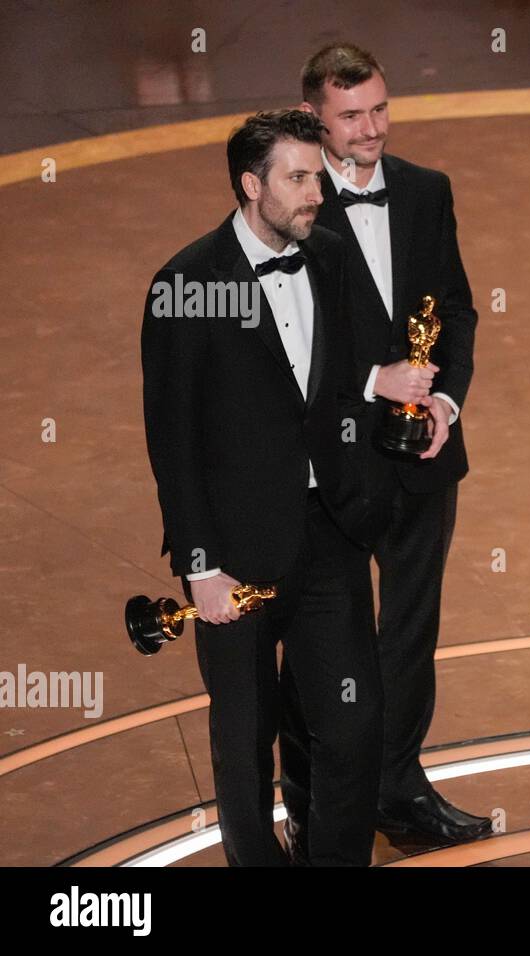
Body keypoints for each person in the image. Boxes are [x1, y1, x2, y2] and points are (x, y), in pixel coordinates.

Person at [140, 109, 384, 866]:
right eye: (300, 178)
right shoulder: (186, 285)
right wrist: (201, 564)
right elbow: (172, 439)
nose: (319, 190)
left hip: (329, 532)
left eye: (318, 174)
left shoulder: (332, 257)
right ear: (252, 185)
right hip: (237, 556)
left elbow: (339, 383)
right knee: (244, 740)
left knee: (351, 725)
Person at [278, 42, 490, 853]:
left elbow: (459, 312)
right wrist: (378, 381)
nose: (371, 129)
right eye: (351, 116)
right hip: (327, 463)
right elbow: (285, 343)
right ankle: (311, 805)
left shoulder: (428, 192)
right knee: (323, 642)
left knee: (409, 635)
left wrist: (442, 400)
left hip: (423, 455)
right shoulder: (292, 205)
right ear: (313, 120)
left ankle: (398, 791)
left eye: (379, 109)